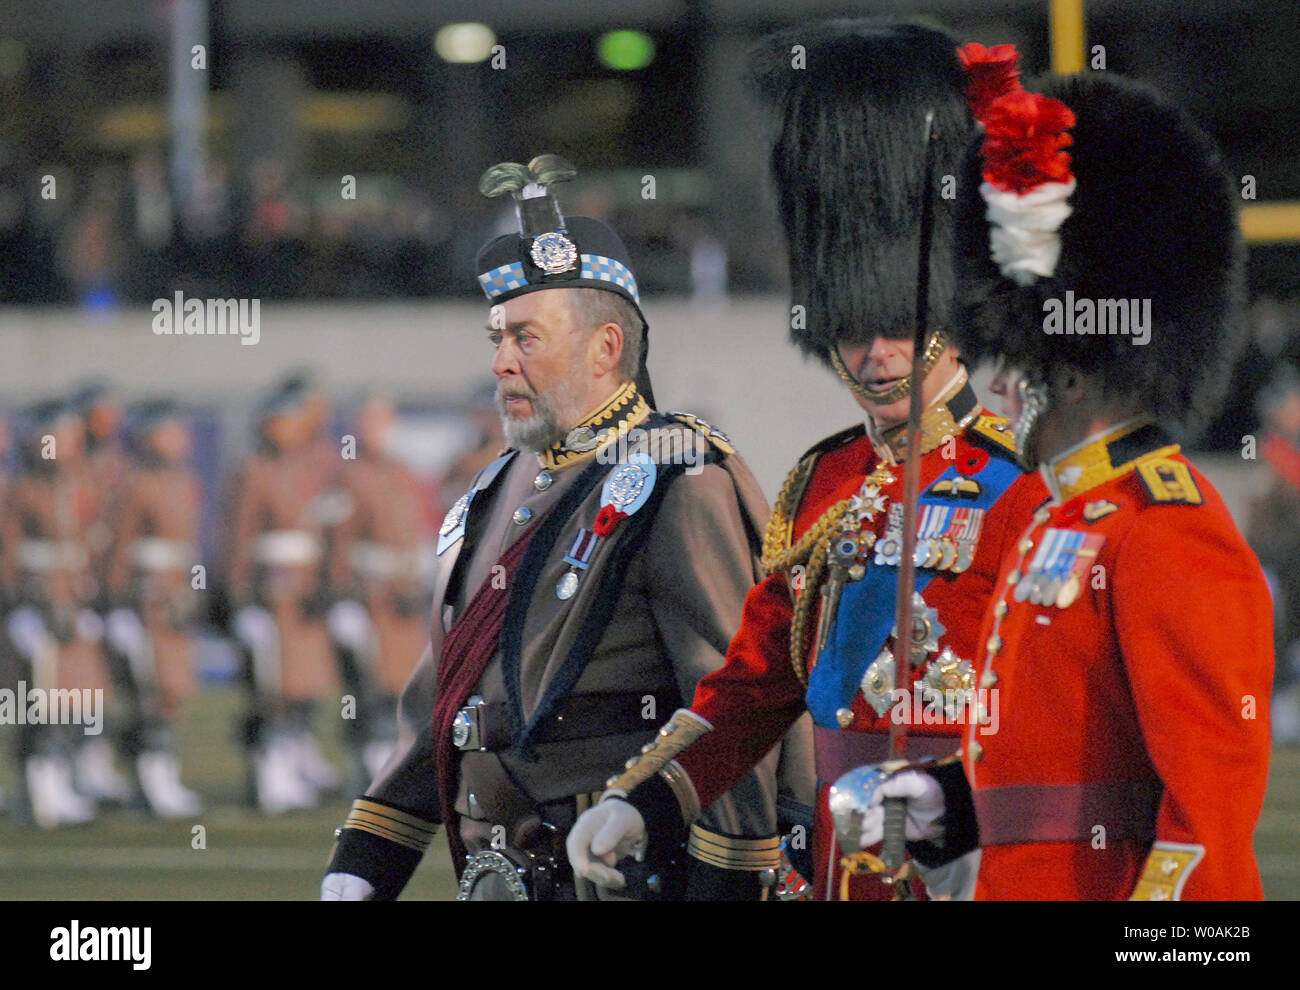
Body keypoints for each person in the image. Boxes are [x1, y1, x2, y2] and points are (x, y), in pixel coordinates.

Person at [566, 22, 1046, 901]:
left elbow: (1068, 716)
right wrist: (646, 802)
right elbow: (753, 690)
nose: (874, 357)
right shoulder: (825, 482)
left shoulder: (1025, 482)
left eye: (898, 329)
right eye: (851, 332)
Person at [322, 154, 805, 901]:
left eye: (526, 338)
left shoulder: (680, 474)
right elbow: (443, 710)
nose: (502, 362)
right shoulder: (490, 490)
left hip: (623, 876)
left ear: (606, 347)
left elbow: (734, 703)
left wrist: (729, 886)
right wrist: (363, 863)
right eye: (495, 338)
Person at [850, 62, 1273, 899]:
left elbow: (1205, 823)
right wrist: (951, 802)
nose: (998, 386)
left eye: (1018, 362)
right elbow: (1074, 767)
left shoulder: (1164, 528)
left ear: (1073, 374)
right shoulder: (1061, 516)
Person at [226, 382, 337, 813]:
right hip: (271, 593)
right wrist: (240, 597)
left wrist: (326, 580)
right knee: (271, 687)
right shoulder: (254, 471)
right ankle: (269, 775)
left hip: (306, 592)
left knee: (302, 685)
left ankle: (291, 769)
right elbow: (239, 537)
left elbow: (322, 531)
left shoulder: (310, 469)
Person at [103, 400, 204, 817]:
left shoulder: (183, 483)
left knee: (171, 690)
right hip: (144, 601)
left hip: (173, 600)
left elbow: (188, 545)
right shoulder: (134, 483)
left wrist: (194, 589)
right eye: (170, 431)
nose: (180, 439)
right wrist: (117, 600)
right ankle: (148, 782)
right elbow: (120, 546)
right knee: (149, 691)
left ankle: (161, 775)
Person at [328, 393, 431, 785]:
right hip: (366, 594)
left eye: (382, 422)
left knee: (400, 683)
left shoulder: (403, 473)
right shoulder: (349, 476)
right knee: (365, 685)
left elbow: (414, 530)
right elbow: (338, 541)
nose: (376, 431)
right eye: (369, 422)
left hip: (400, 594)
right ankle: (365, 760)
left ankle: (392, 757)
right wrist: (341, 594)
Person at [1248, 366, 1300, 745]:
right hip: (1273, 560)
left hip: (1289, 559)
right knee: (1273, 625)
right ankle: (1277, 705)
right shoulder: (1267, 451)